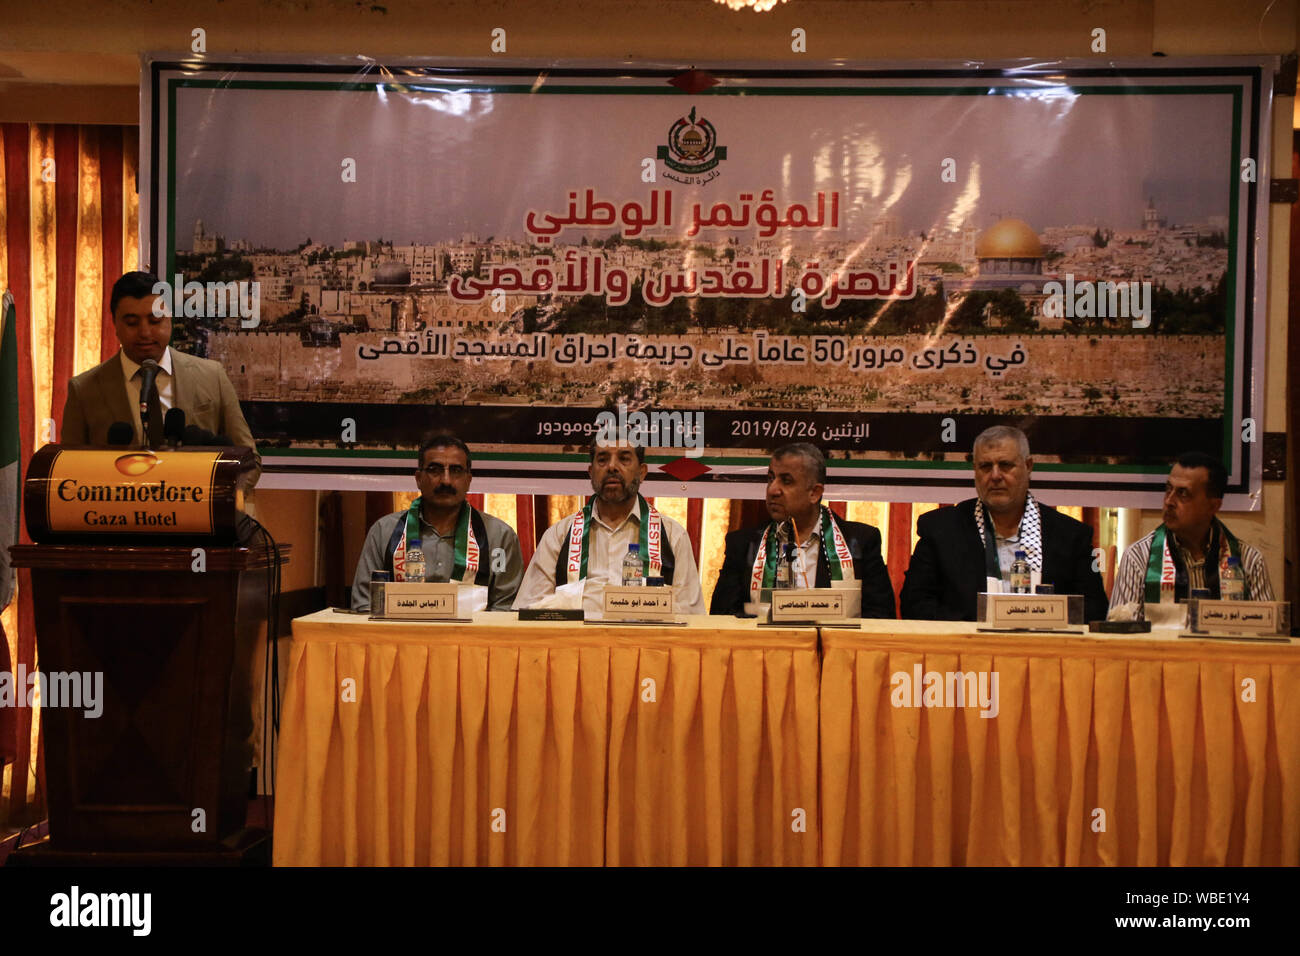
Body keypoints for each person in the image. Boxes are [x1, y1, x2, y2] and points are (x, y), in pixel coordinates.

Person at [60, 271, 261, 486]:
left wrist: (218, 501)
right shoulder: (84, 390)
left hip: (197, 514)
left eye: (155, 320)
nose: (145, 332)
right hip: (119, 516)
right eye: (132, 323)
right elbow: (70, 471)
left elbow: (249, 460)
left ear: (170, 319)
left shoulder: (212, 377)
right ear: (115, 324)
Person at [901, 425, 1108, 621]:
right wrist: (984, 624)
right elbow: (914, 605)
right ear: (974, 471)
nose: (995, 476)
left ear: (1028, 467)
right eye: (985, 466)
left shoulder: (1071, 536)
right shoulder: (940, 531)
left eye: (1006, 465)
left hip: (1046, 653)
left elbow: (1095, 609)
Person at [514, 440, 705, 617]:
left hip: (647, 648)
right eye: (603, 460)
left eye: (624, 459)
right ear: (591, 472)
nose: (612, 467)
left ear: (642, 472)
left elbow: (691, 618)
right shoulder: (559, 535)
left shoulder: (673, 536)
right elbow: (527, 611)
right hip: (575, 647)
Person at [711, 442, 895, 617]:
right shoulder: (744, 544)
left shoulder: (860, 542)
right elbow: (722, 617)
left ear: (814, 493)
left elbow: (880, 618)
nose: (772, 490)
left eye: (786, 481)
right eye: (770, 478)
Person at [352, 432, 523, 612]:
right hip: (399, 638)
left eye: (456, 471)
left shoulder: (500, 538)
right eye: (435, 470)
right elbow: (365, 605)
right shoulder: (383, 532)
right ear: (418, 479)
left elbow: (505, 610)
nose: (446, 480)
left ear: (468, 480)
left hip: (472, 639)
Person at [1110, 451, 1273, 612]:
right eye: (1168, 489)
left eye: (1183, 493)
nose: (1169, 501)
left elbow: (1268, 633)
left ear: (1213, 506)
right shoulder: (1138, 559)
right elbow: (1119, 632)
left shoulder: (1250, 562)